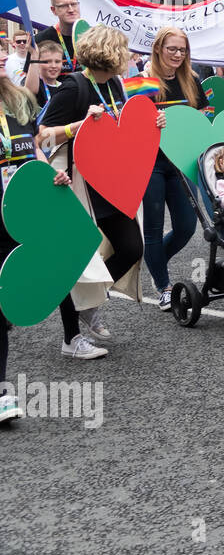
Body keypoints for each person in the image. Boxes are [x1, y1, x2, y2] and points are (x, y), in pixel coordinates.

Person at [39, 24, 155, 357]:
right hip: (77, 184)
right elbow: (43, 137)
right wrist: (78, 126)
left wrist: (151, 123)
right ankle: (71, 338)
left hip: (111, 182)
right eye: (124, 51)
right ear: (112, 53)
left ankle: (89, 303)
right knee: (73, 258)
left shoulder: (115, 84)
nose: (128, 57)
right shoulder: (74, 86)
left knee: (131, 247)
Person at [0, 65, 74, 421]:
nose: (2, 57)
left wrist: (49, 174)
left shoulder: (18, 101)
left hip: (17, 214)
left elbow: (34, 152)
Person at [141, 28, 204, 310]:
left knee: (187, 227)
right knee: (153, 228)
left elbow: (203, 115)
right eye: (172, 49)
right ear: (158, 49)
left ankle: (156, 262)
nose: (178, 55)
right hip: (149, 162)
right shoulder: (142, 82)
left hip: (180, 162)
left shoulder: (191, 80)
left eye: (183, 50)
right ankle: (163, 286)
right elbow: (130, 122)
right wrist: (151, 120)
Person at [34, 0, 81, 70]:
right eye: (64, 6)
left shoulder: (93, 38)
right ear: (53, 10)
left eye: (73, 4)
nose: (71, 9)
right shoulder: (40, 40)